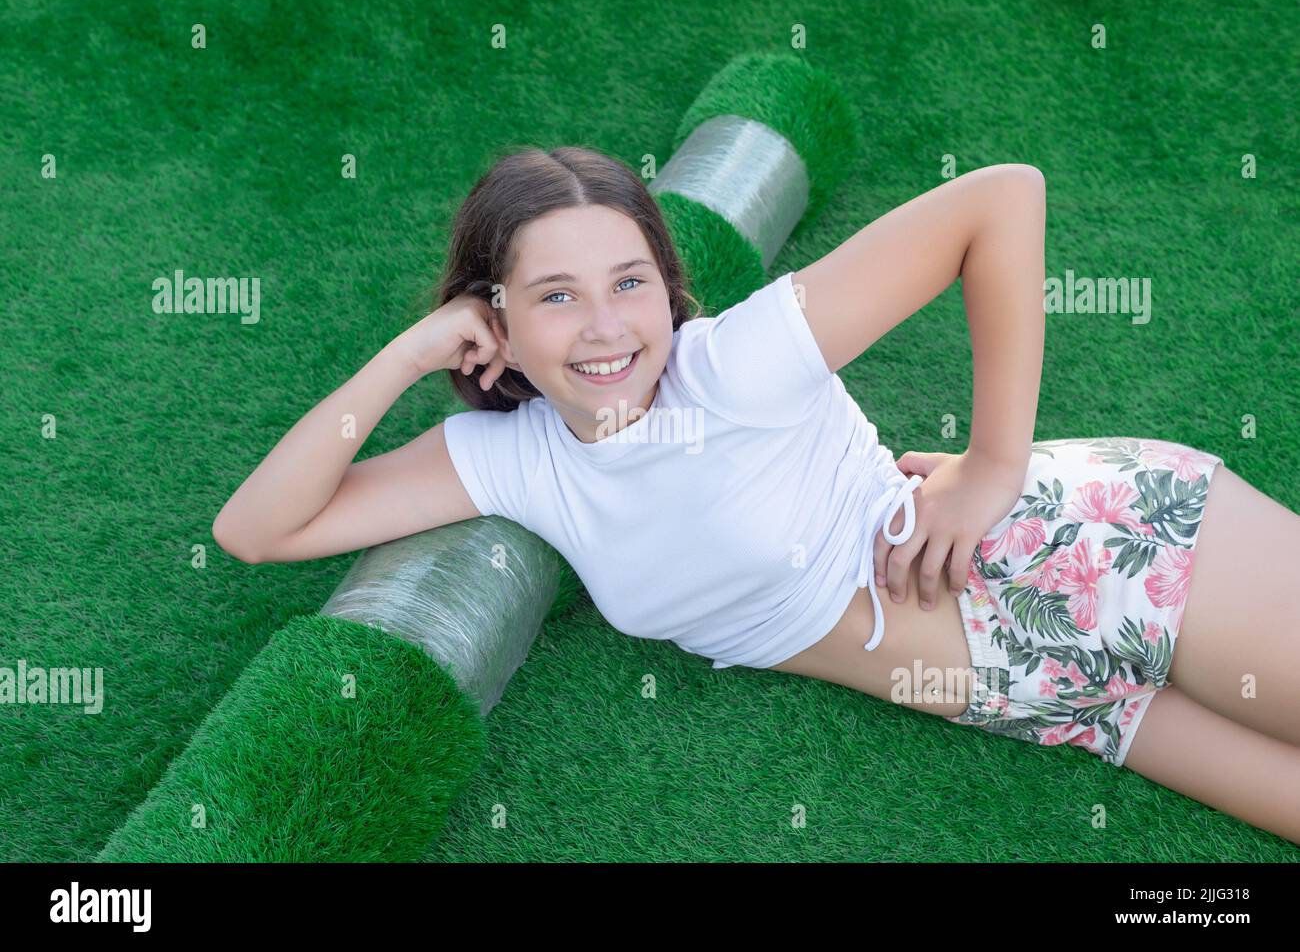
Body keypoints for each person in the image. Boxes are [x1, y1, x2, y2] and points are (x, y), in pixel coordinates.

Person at [212, 145, 1300, 845]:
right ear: (491, 320)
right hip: (1050, 700)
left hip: (1108, 556)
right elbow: (260, 529)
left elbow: (1000, 199)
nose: (604, 328)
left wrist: (995, 467)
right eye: (555, 297)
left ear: (664, 287)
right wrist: (401, 359)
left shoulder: (728, 364)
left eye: (628, 282)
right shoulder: (509, 460)